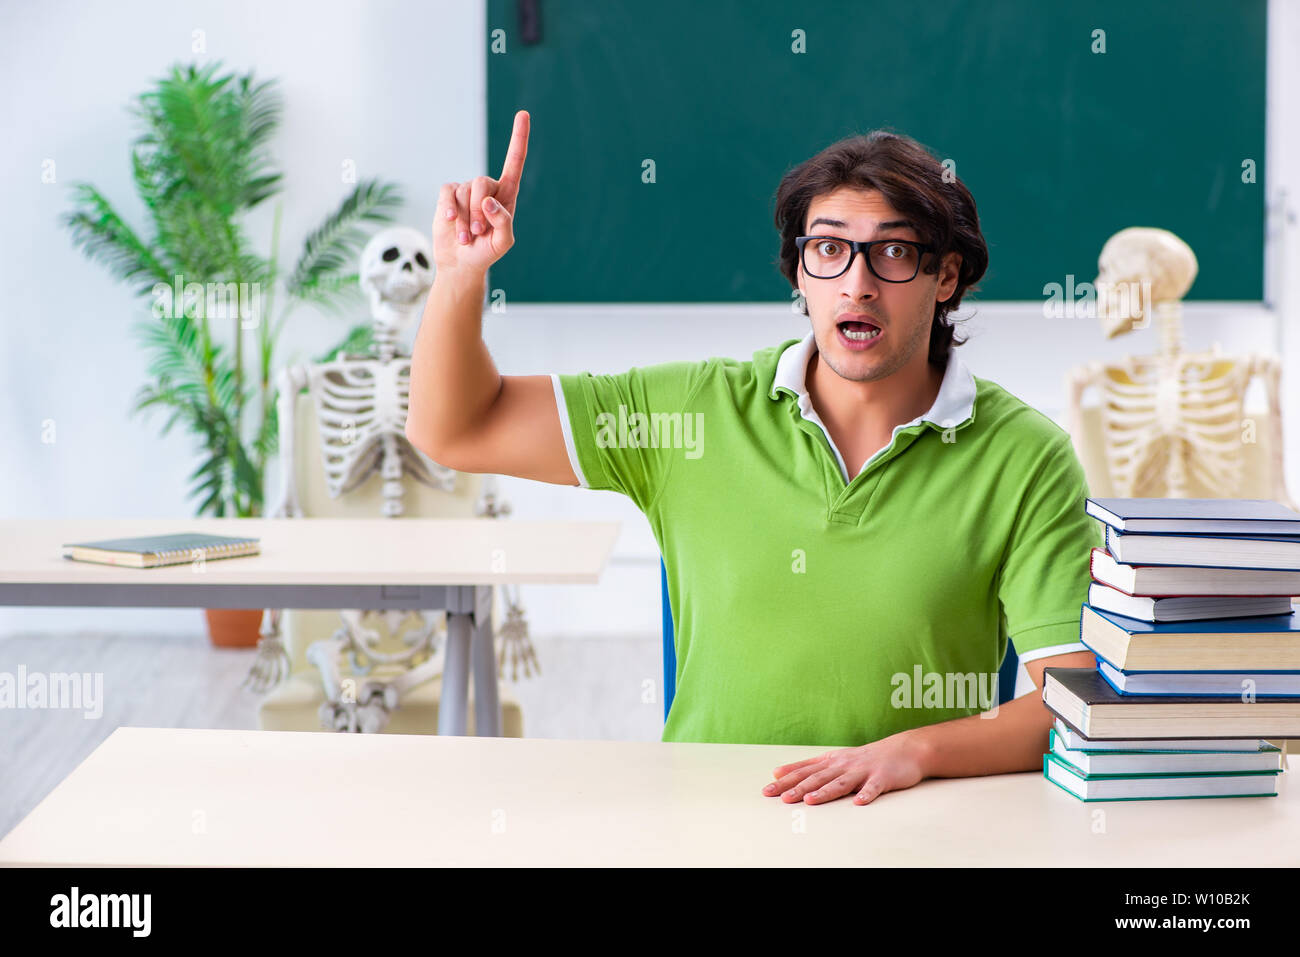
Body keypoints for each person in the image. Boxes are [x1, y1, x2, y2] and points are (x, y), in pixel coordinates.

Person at [407, 110, 1102, 806]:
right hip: (711, 824)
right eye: (828, 250)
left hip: (912, 827)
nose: (856, 284)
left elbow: (1069, 704)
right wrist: (462, 276)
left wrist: (915, 752)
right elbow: (458, 428)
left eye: (892, 253)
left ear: (945, 275)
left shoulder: (1025, 455)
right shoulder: (692, 411)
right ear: (800, 273)